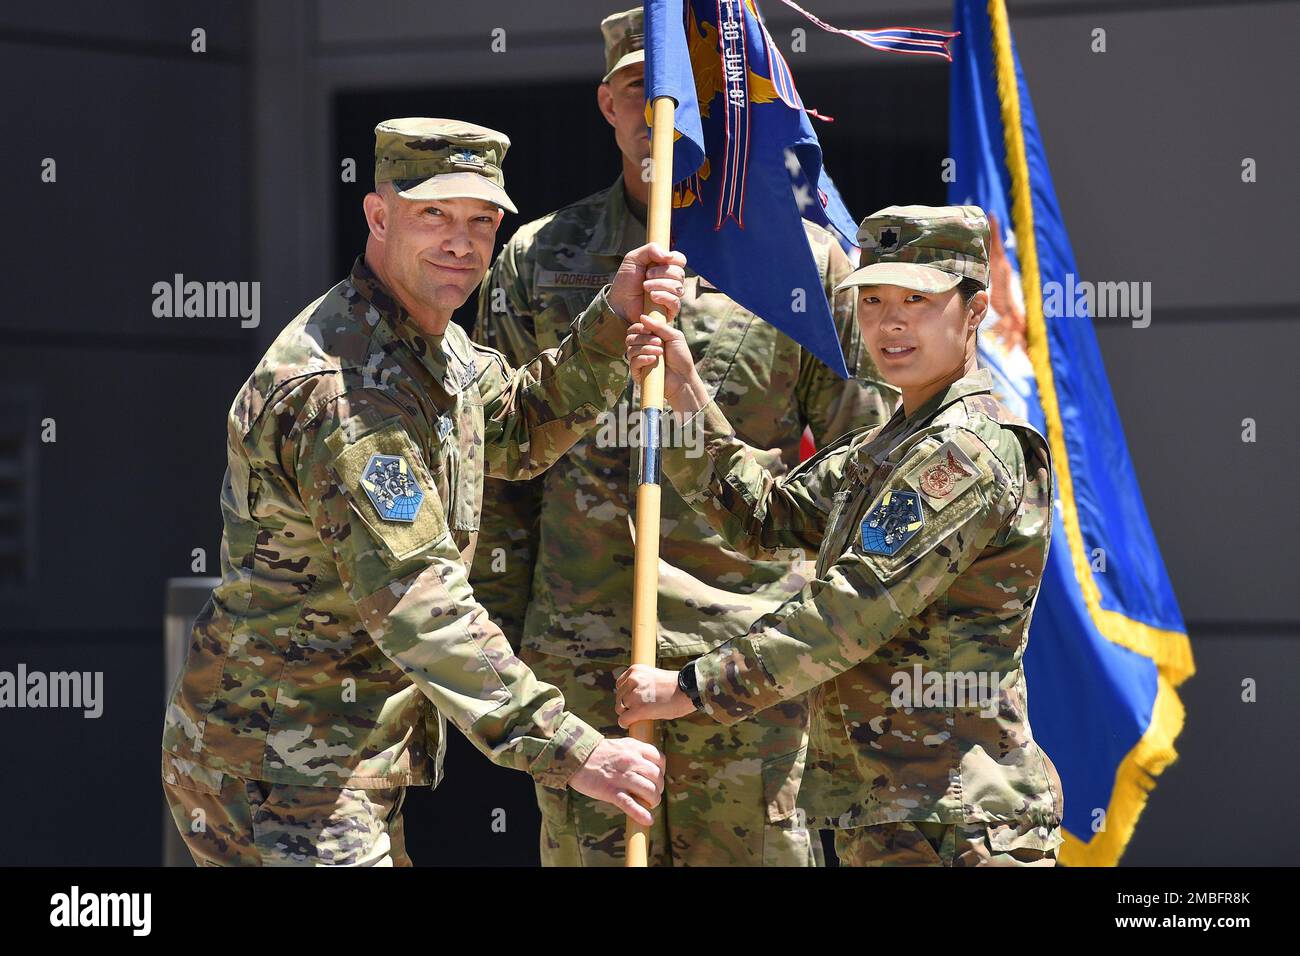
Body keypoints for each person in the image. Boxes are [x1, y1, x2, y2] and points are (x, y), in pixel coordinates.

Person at [161, 117, 686, 866]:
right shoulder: (343, 392)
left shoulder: (436, 351)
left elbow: (517, 426)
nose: (460, 242)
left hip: (340, 753)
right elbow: (420, 602)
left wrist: (611, 321)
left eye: (481, 220)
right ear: (378, 216)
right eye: (432, 215)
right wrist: (576, 751)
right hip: (277, 759)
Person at [470, 6, 896, 866]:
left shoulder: (801, 268)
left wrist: (818, 650)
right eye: (638, 91)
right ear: (607, 104)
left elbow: (865, 469)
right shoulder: (537, 260)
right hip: (583, 665)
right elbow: (499, 471)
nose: (657, 114)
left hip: (741, 667)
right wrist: (511, 647)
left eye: (681, 95)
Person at [617, 205, 1065, 867]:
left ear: (974, 312)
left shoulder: (964, 451)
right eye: (874, 299)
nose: (890, 322)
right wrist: (685, 389)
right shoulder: (889, 444)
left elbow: (846, 611)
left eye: (918, 299)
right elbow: (764, 516)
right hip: (892, 814)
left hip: (958, 823)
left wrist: (693, 687)